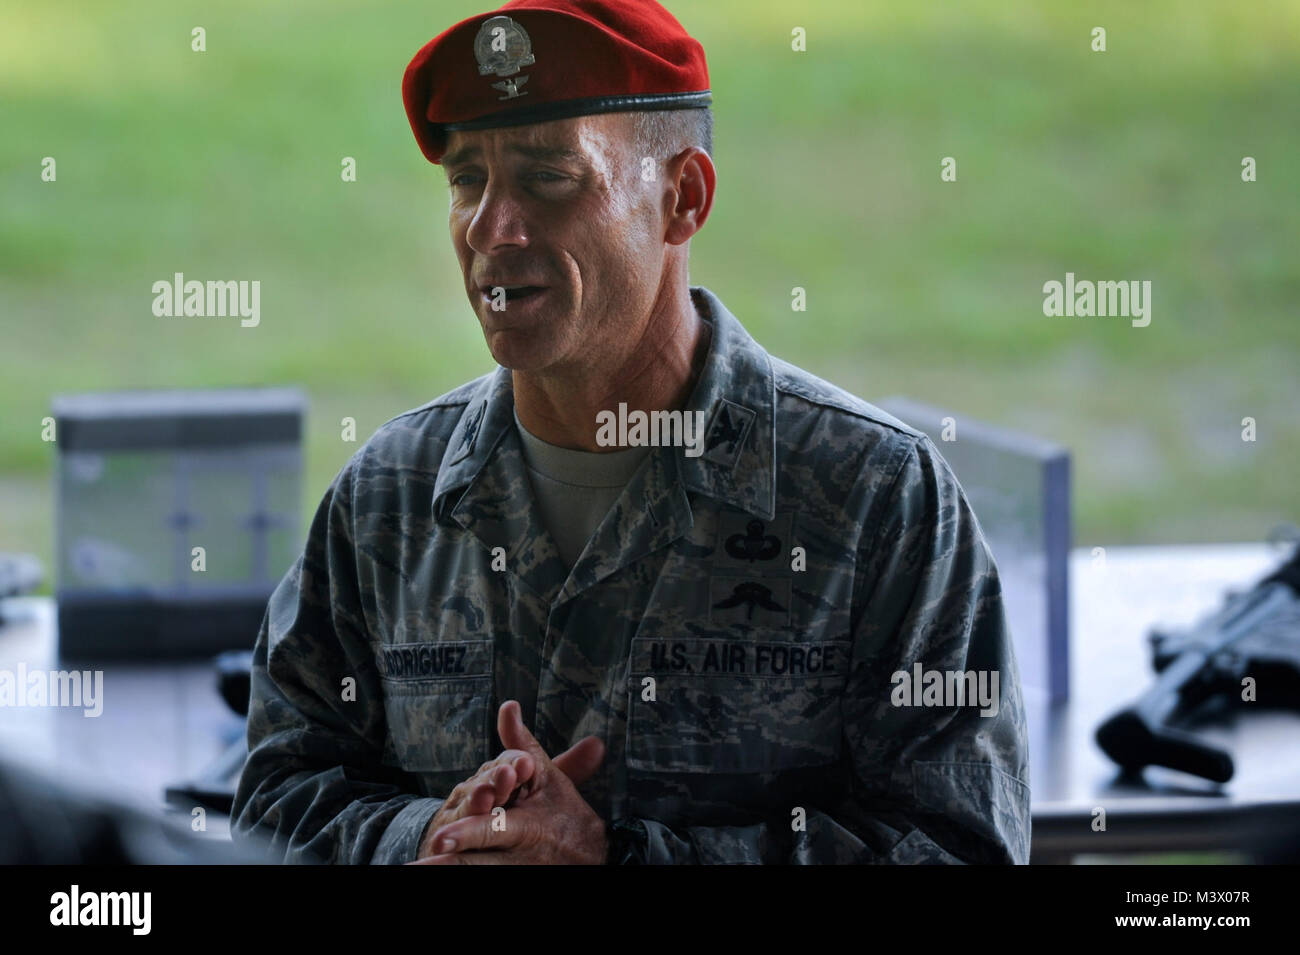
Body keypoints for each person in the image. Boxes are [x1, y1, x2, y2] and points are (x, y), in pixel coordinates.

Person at [231, 0, 1031, 865]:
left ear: (681, 198)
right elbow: (275, 802)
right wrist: (428, 838)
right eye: (468, 180)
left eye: (548, 176)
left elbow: (960, 846)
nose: (491, 229)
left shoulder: (878, 501)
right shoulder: (389, 495)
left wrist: (616, 859)